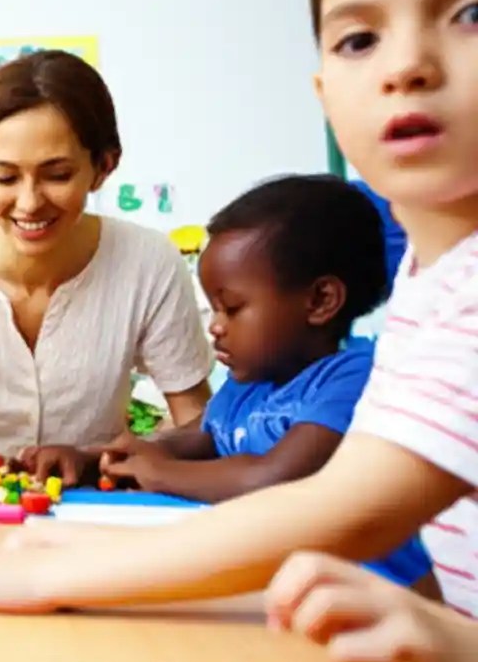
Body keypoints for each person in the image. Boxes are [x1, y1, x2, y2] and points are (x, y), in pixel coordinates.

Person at [0, 0, 478, 662]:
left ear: (103, 167)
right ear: (324, 91)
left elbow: (339, 504)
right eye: (359, 39)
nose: (406, 66)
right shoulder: (428, 289)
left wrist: (62, 564)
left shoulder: (433, 311)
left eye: (470, 13)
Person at [0, 49, 212, 483]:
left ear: (103, 167)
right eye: (5, 177)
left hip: (96, 477)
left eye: (56, 175)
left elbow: (200, 425)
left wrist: (138, 457)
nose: (29, 202)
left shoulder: (149, 265)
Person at [102, 174, 430, 586]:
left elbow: (275, 478)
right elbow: (195, 439)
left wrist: (161, 473)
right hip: (284, 587)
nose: (216, 327)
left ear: (320, 301)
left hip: (374, 593)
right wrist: (107, 455)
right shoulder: (250, 380)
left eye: (232, 309)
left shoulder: (353, 379)